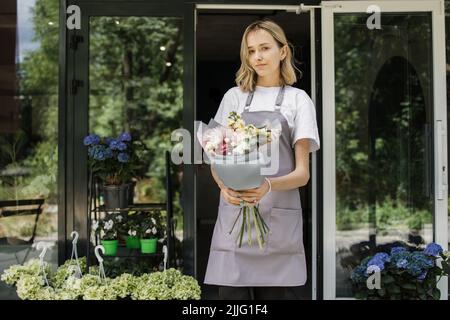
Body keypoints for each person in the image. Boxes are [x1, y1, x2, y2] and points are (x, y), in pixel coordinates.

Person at [204, 19, 320, 300]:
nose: (257, 56)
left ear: (283, 52)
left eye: (265, 48)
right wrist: (223, 186)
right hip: (236, 218)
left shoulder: (298, 100)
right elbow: (216, 156)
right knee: (231, 298)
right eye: (251, 50)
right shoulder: (234, 97)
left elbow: (302, 174)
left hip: (277, 223)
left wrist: (267, 185)